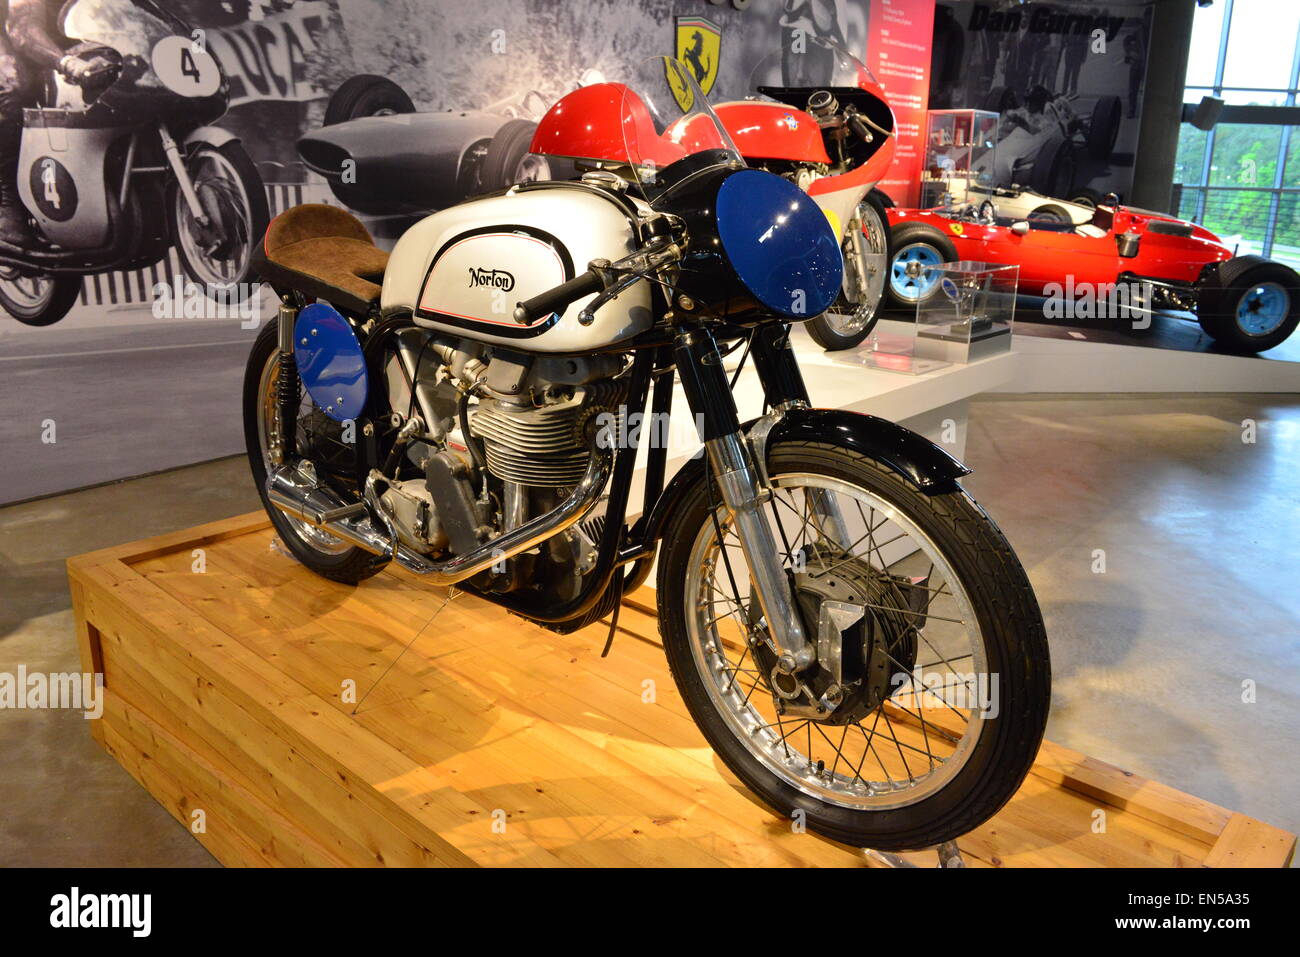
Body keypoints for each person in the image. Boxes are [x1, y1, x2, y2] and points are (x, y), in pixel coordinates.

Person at [0, 0, 119, 245]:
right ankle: (7, 204)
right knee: (13, 82)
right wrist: (66, 62)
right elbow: (22, 30)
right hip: (10, 31)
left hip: (57, 34)